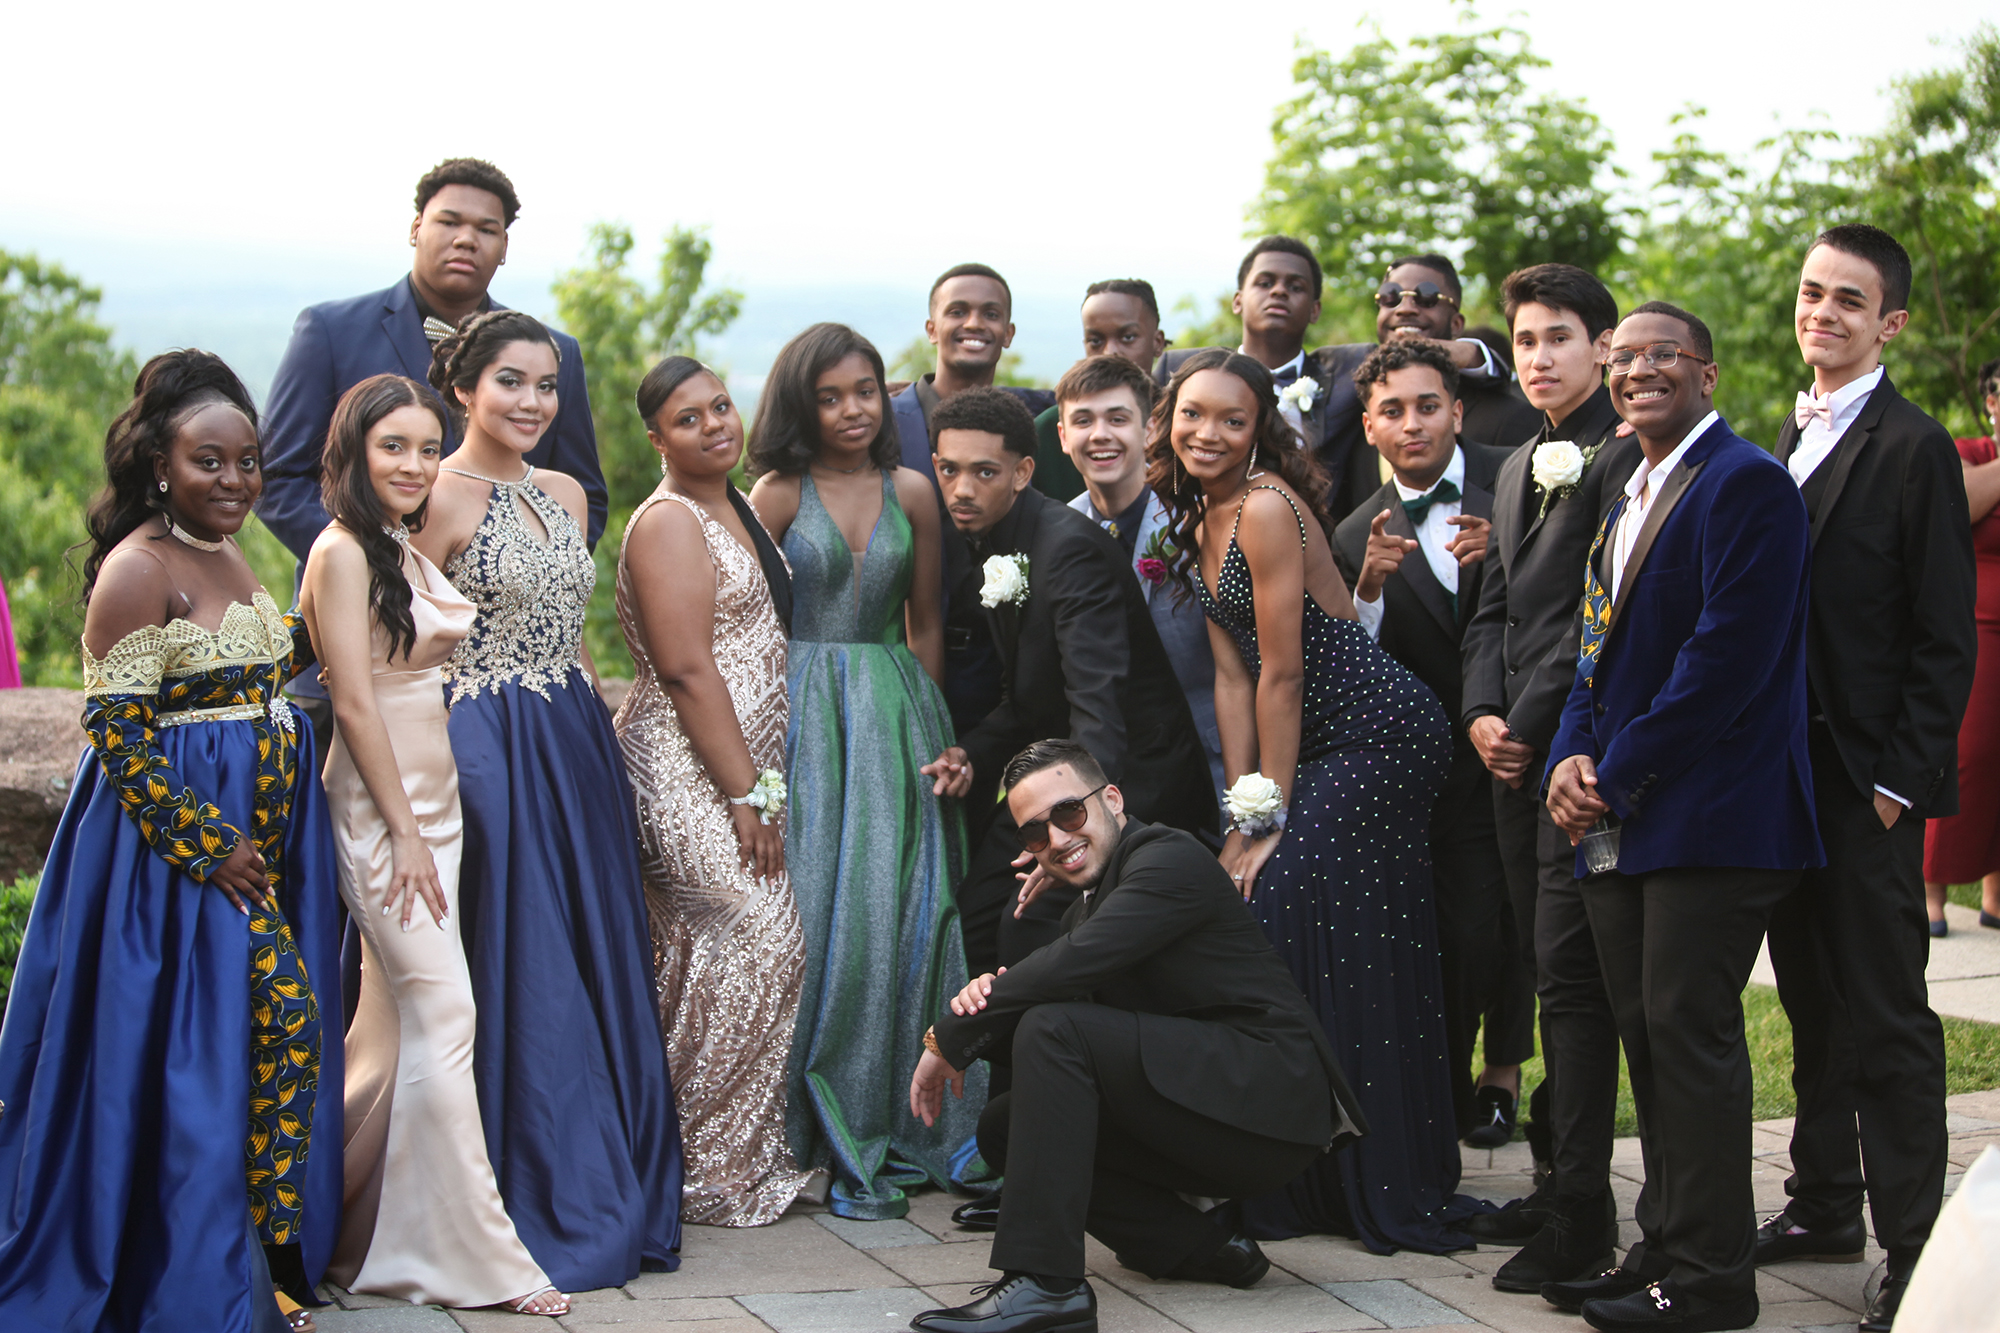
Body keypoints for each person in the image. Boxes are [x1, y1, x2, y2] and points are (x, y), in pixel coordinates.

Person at [0, 350, 342, 1331]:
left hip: (257, 851)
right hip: (170, 865)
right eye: (209, 461)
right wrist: (205, 844)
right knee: (225, 1042)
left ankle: (259, 1244)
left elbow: (257, 672)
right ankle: (208, 1260)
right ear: (160, 464)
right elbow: (117, 735)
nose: (234, 481)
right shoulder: (139, 568)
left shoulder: (234, 553)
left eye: (247, 462)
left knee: (257, 1038)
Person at [1153, 346, 1470, 1254]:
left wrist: (1267, 819)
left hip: (1377, 732)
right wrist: (1237, 807)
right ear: (1169, 421)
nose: (1207, 432)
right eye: (1192, 415)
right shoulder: (1198, 516)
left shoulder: (1262, 506)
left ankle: (1368, 1169)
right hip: (1316, 742)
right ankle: (1309, 1169)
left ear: (1259, 434)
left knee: (1283, 904)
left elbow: (1284, 673)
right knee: (1302, 925)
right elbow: (1229, 676)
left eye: (1231, 419)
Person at [1543, 301, 1821, 1332]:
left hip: (1713, 813)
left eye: (1661, 354)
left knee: (1686, 1032)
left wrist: (1610, 771)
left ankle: (1706, 1282)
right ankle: (1658, 1247)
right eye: (1622, 359)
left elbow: (1722, 665)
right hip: (1621, 809)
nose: (1636, 370)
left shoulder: (1747, 484)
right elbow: (1593, 645)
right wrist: (1568, 757)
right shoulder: (1625, 484)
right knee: (1644, 1034)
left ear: (1705, 373)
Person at [904, 739, 1367, 1333]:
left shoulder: (1168, 859)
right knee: (1005, 1126)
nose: (1058, 838)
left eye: (1069, 814)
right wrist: (982, 1014)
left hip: (1267, 1106)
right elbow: (1073, 1012)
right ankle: (1201, 1247)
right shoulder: (1097, 899)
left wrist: (951, 1035)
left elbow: (1072, 972)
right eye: (1035, 835)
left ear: (1113, 799)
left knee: (1056, 1027)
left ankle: (1047, 1285)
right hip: (1198, 1106)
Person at [412, 312, 682, 1284]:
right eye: (511, 382)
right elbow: (398, 651)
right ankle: (527, 1182)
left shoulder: (566, 491)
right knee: (520, 954)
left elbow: (570, 631)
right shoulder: (433, 497)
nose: (532, 402)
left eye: (547, 385)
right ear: (464, 388)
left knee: (595, 943)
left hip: (571, 734)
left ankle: (618, 1167)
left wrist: (601, 735)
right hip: (481, 740)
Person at [300, 375, 565, 1316]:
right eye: (392, 448)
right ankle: (478, 1259)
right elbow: (355, 697)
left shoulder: (396, 546)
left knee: (400, 1025)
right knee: (447, 1013)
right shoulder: (338, 551)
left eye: (424, 447)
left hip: (437, 799)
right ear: (353, 453)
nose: (413, 466)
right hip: (384, 809)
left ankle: (343, 1229)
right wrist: (404, 834)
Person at [1760, 225, 1977, 1333]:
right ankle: (1819, 1204)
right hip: (1778, 784)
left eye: (1849, 300)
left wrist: (1899, 782)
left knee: (1888, 1017)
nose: (1823, 313)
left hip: (1863, 786)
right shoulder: (1776, 437)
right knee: (1806, 1003)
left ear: (1887, 322)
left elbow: (1944, 635)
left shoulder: (1912, 445)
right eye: (1811, 293)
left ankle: (1911, 1247)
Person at [744, 323, 983, 1219]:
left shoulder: (912, 490)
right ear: (801, 403)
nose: (852, 410)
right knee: (807, 905)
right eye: (831, 395)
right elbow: (749, 631)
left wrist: (930, 719)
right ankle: (797, 1118)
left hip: (894, 710)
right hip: (799, 713)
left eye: (867, 391)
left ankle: (902, 1107)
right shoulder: (771, 495)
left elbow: (926, 623)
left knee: (900, 907)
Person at [259, 157, 607, 740]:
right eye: (449, 221)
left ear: (504, 247)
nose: (466, 238)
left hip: (515, 679)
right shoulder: (329, 330)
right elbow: (278, 478)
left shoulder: (554, 353)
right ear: (416, 228)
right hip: (361, 647)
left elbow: (580, 488)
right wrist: (379, 567)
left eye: (487, 229)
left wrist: (514, 576)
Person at [1459, 262, 1640, 1292]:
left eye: (1557, 337)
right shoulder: (1514, 459)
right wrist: (1480, 713)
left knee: (1577, 985)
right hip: (1506, 750)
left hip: (1575, 756)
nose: (1535, 356)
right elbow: (1494, 612)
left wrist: (1525, 726)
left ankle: (1583, 1212)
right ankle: (1552, 1176)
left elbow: (1599, 618)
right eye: (1523, 340)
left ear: (1602, 348)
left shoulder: (1623, 460)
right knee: (1534, 965)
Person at [918, 387, 1216, 979]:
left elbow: (1097, 708)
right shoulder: (995, 540)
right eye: (949, 471)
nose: (962, 490)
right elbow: (1028, 697)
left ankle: (1041, 1065)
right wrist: (971, 755)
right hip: (1057, 772)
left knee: (1021, 928)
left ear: (1024, 471)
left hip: (1127, 782)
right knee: (972, 916)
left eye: (984, 472)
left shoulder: (1068, 549)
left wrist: (1062, 834)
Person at [615, 355, 816, 1226]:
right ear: (658, 440)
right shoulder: (667, 522)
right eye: (688, 419)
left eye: (721, 407)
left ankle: (723, 1159)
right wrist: (747, 794)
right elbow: (688, 667)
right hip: (684, 771)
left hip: (738, 770)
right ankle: (700, 1167)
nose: (715, 425)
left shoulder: (731, 503)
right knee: (764, 936)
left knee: (706, 957)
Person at [1331, 339, 1528, 1150]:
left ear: (1456, 407)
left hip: (1522, 739)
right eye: (1393, 411)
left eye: (1427, 405)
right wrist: (1369, 587)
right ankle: (1447, 1087)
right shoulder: (1353, 532)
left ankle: (1504, 1073)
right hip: (1429, 769)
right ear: (1371, 427)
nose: (1413, 423)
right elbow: (1353, 662)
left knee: (1515, 922)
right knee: (1457, 929)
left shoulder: (1517, 482)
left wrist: (1510, 549)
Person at [1157, 240, 1523, 523]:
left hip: (1320, 549)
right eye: (1265, 282)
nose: (1279, 292)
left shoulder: (1348, 367)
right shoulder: (1182, 368)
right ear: (1238, 300)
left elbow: (1489, 369)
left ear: (1316, 309)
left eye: (1295, 286)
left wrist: (1449, 349)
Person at [890, 263, 1057, 741]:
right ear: (931, 328)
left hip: (1004, 669)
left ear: (1008, 332)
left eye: (990, 313)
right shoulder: (886, 423)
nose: (973, 324)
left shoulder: (1032, 421)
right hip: (903, 658)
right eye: (957, 311)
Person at [1056, 353, 1224, 798]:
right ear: (1062, 435)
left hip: (1214, 753)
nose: (1100, 435)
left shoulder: (1195, 519)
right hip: (1118, 765)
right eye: (1083, 421)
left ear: (1149, 429)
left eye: (1117, 418)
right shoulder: (1060, 533)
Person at [1925, 355, 2000, 932]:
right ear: (1991, 401)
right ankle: (1932, 890)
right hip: (1980, 623)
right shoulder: (1971, 453)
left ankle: (1995, 896)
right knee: (1969, 754)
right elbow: (1960, 508)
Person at [1030, 279, 1173, 502]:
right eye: (1095, 341)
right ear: (1063, 435)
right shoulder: (1046, 431)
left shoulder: (1182, 426)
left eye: (1127, 338)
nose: (1110, 352)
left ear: (1157, 342)